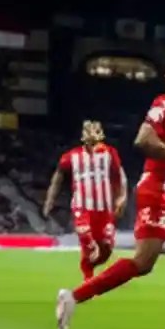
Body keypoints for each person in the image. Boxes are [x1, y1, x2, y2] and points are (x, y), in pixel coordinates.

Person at [55, 52, 165, 329]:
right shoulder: (164, 104)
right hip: (157, 193)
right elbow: (144, 141)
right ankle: (73, 296)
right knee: (143, 263)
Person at [43, 120, 126, 280]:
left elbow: (121, 176)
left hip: (104, 209)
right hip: (82, 206)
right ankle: (88, 278)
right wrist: (49, 200)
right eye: (88, 132)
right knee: (85, 236)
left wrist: (122, 198)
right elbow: (58, 176)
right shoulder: (72, 156)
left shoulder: (110, 153)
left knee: (106, 248)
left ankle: (90, 267)